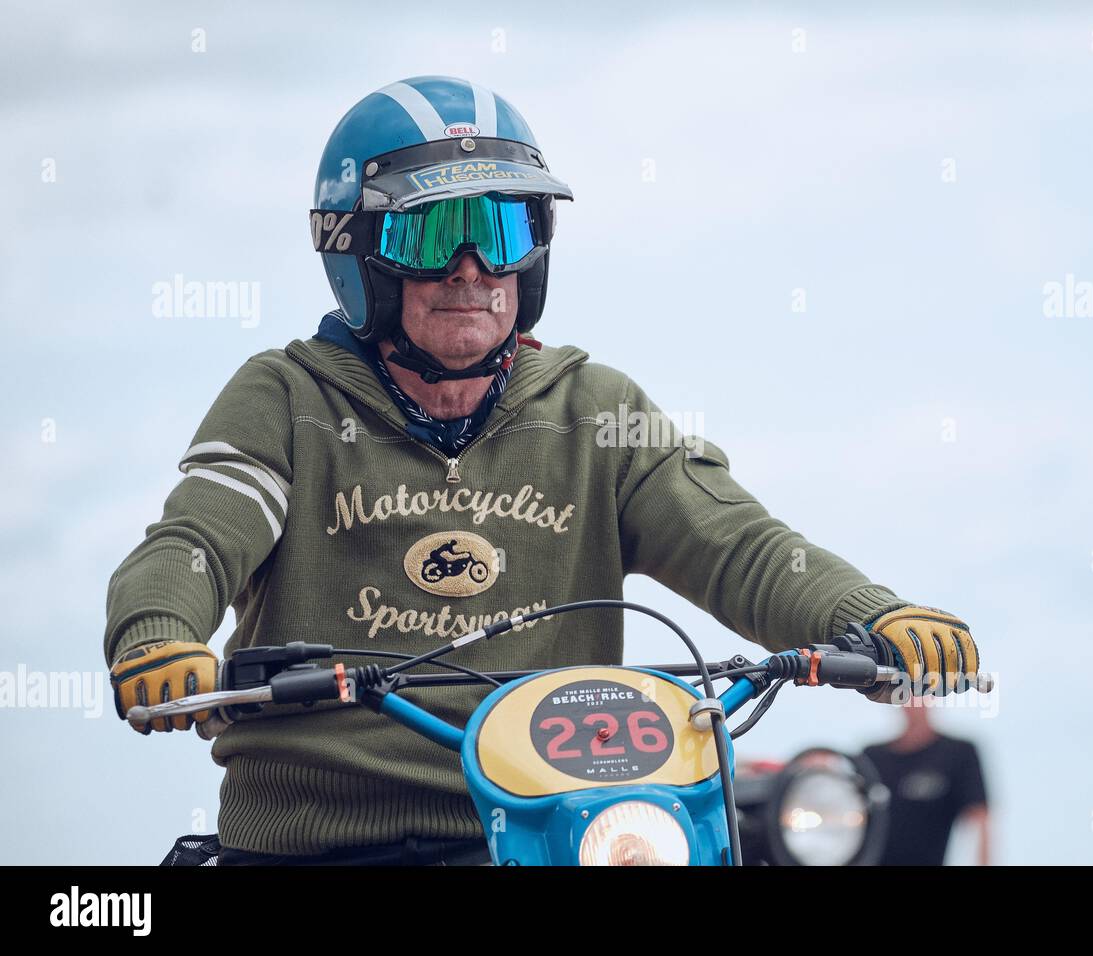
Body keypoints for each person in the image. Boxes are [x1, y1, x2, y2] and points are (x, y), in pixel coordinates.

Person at [103, 75, 985, 866]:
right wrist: (157, 635)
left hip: (562, 821)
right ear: (356, 248)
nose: (475, 269)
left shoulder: (592, 407)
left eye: (504, 226)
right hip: (325, 847)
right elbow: (196, 537)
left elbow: (740, 544)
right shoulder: (286, 400)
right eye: (433, 233)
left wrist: (875, 616)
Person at [861, 695, 992, 865]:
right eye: (906, 691)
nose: (913, 699)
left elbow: (979, 820)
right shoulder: (872, 757)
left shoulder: (958, 753)